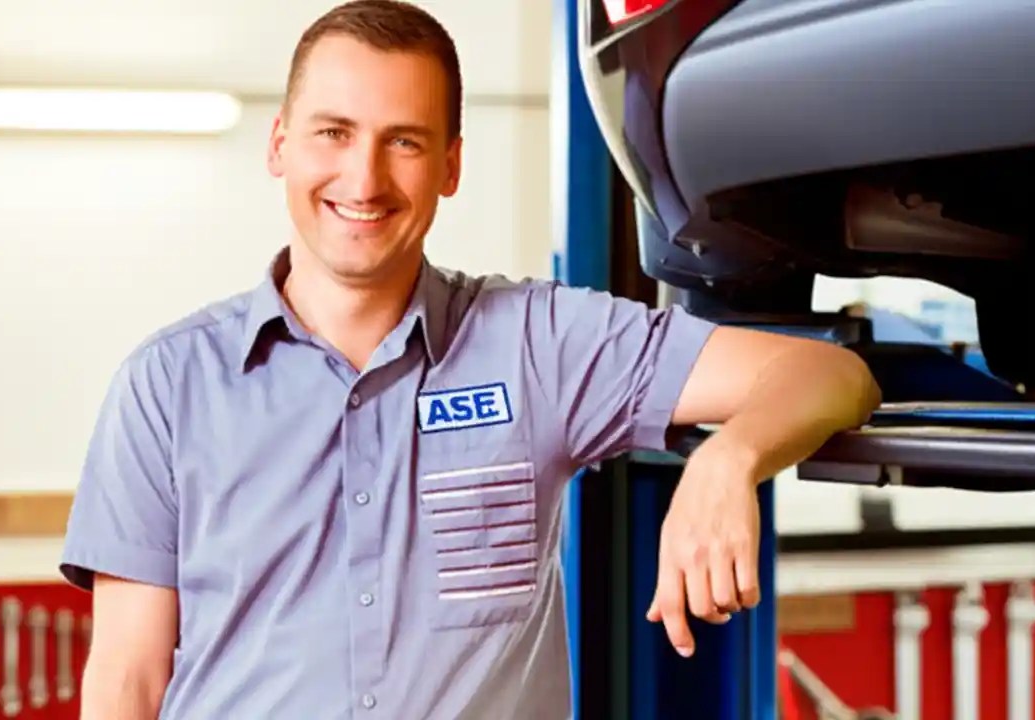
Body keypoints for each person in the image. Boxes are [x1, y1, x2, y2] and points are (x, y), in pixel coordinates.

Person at [58, 1, 881, 718]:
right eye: (333, 133)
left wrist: (728, 461)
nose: (364, 176)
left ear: (451, 164)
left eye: (403, 142)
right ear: (280, 144)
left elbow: (832, 376)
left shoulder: (536, 345)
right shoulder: (167, 386)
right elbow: (128, 678)